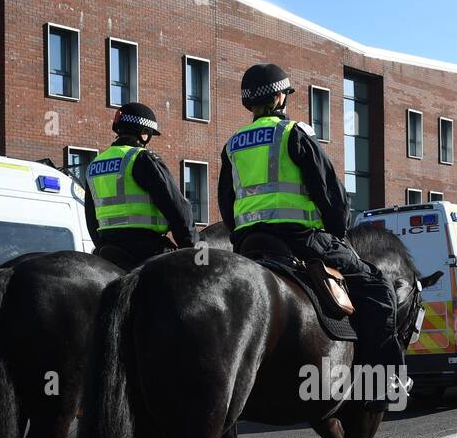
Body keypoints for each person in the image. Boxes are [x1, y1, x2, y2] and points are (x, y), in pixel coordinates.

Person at [218, 63, 403, 409]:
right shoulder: (295, 134)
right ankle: (379, 387)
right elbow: (330, 195)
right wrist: (338, 234)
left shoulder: (233, 145)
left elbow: (226, 205)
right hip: (300, 238)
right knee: (378, 288)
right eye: (285, 94)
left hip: (249, 245)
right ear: (278, 97)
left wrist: (240, 237)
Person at [83, 101, 197, 269]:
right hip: (147, 249)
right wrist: (195, 250)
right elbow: (176, 207)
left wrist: (101, 246)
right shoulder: (140, 158)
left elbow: (91, 218)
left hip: (108, 250)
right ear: (144, 134)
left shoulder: (94, 165)